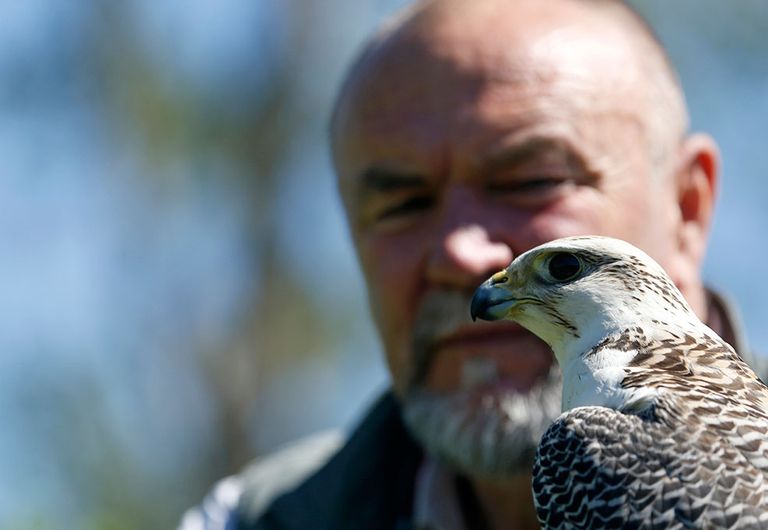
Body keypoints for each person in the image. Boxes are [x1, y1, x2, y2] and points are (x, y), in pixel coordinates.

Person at [180, 0, 764, 528]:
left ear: (687, 209)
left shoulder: (598, 439)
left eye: (531, 182)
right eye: (404, 204)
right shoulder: (250, 518)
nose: (464, 256)